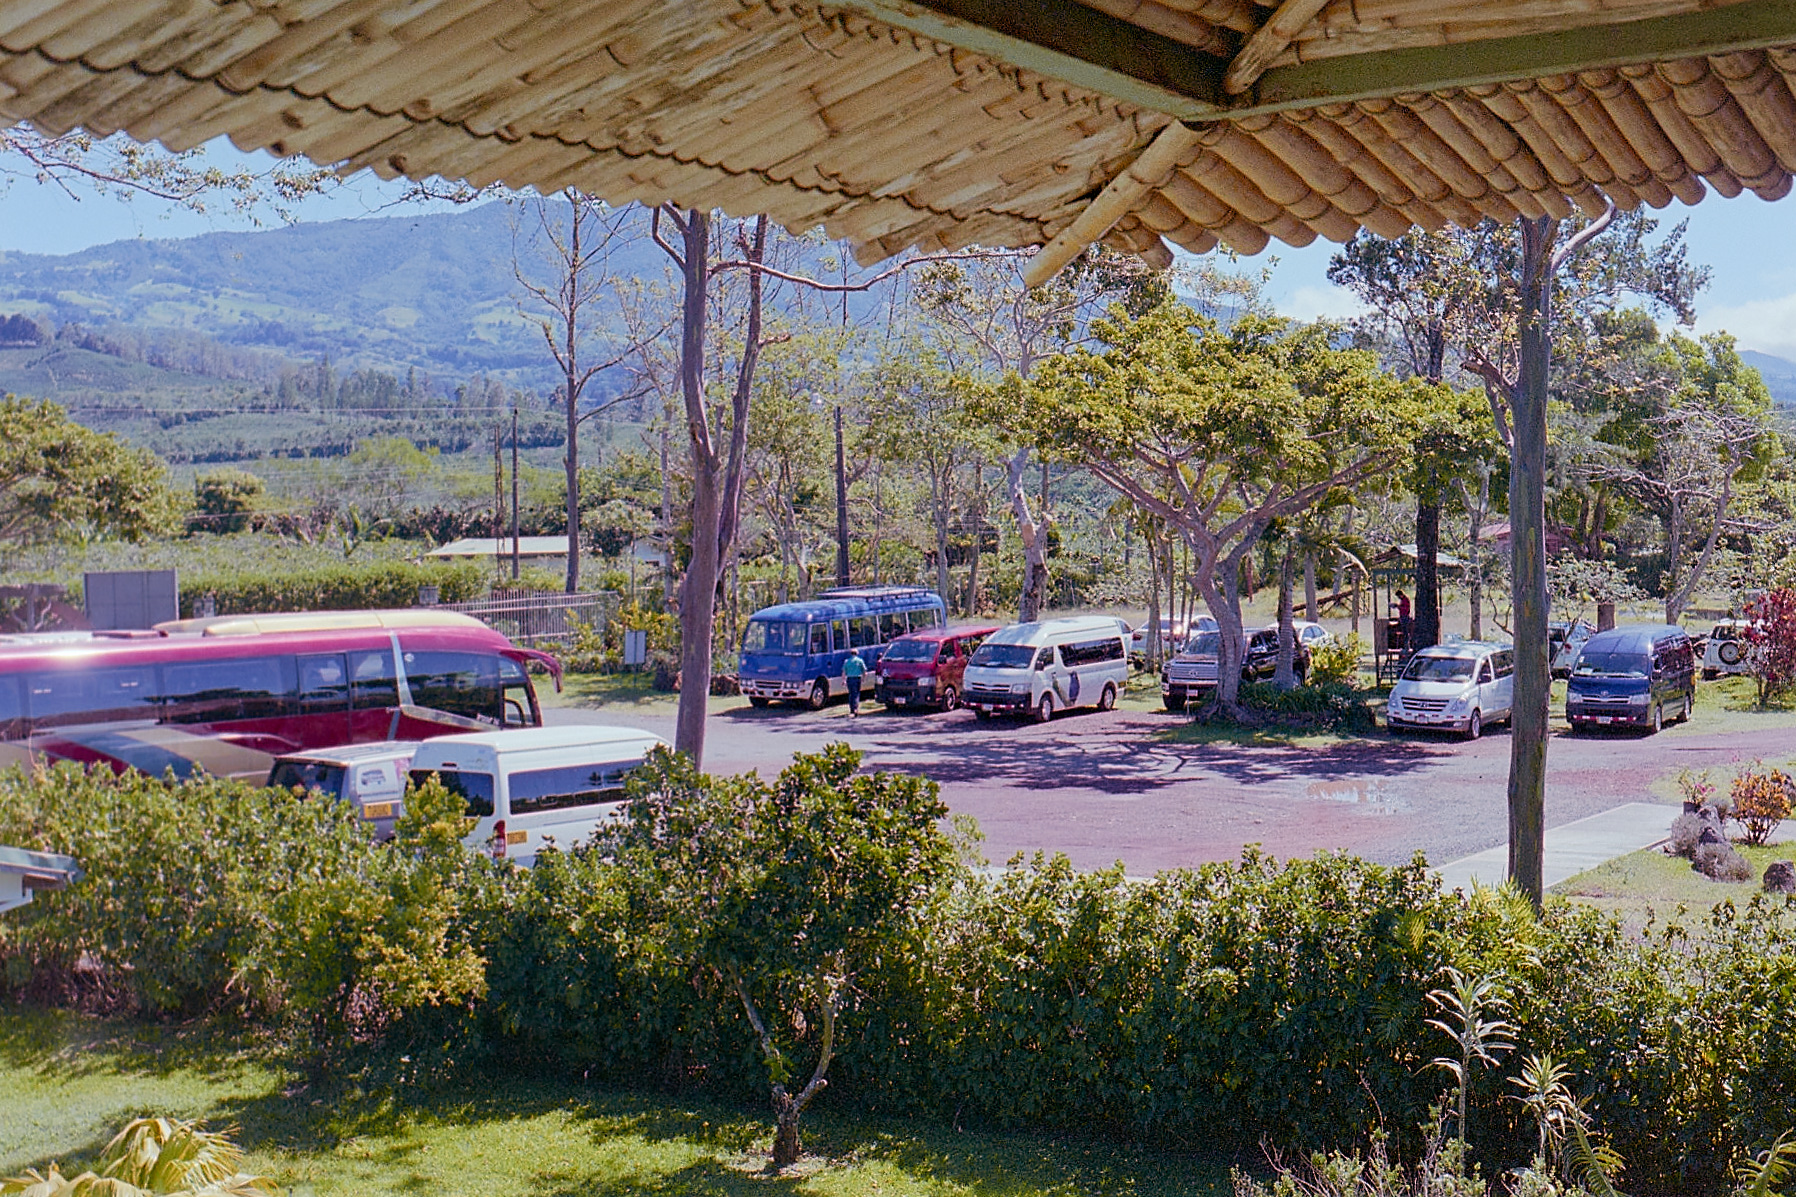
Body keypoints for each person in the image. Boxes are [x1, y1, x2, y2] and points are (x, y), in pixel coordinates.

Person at [842, 648, 867, 716]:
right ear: (857, 653)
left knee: (851, 694)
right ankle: (856, 708)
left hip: (849, 679)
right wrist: (863, 678)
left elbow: (844, 672)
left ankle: (851, 709)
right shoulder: (860, 661)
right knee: (856, 694)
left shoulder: (847, 661)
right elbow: (864, 670)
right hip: (857, 678)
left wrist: (843, 680)